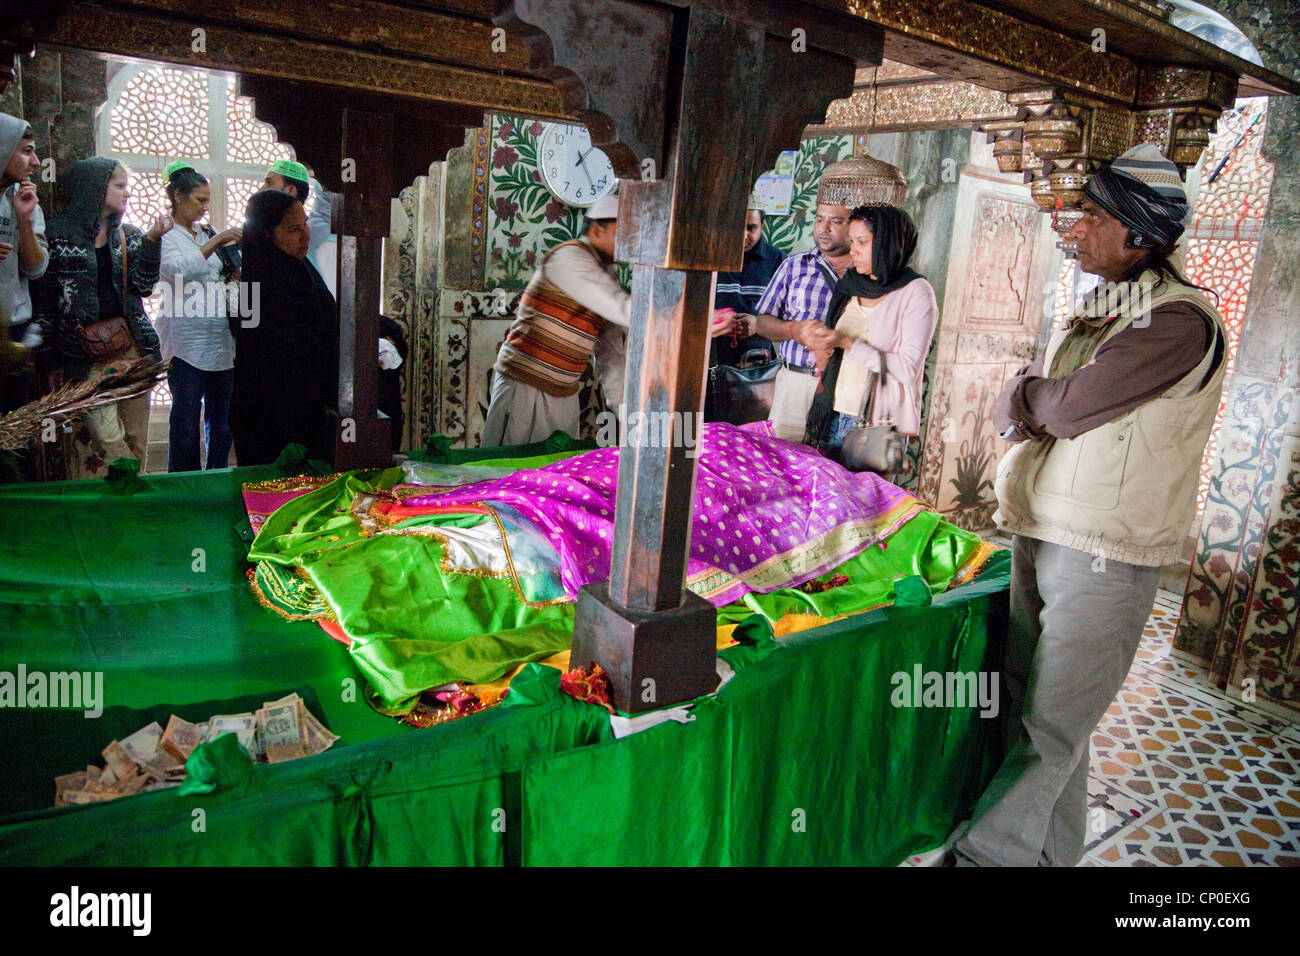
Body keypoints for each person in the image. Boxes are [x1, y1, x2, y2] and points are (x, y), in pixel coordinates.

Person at [952, 145, 1227, 868]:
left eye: (1095, 217)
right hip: (1047, 531)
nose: (1076, 229)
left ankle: (982, 859)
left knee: (1051, 727)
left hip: (1106, 554)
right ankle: (1051, 858)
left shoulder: (1177, 321)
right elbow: (1040, 401)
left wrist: (1030, 395)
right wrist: (1033, 397)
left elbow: (1061, 406)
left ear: (1141, 233)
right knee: (1037, 717)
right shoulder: (1110, 310)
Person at [40, 158, 172, 468]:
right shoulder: (57, 235)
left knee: (137, 439)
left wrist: (152, 241)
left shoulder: (128, 234)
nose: (127, 193)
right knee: (106, 440)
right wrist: (48, 358)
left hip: (132, 350)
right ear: (95, 188)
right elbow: (44, 302)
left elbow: (143, 286)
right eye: (119, 185)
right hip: (83, 358)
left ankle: (130, 509)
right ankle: (123, 498)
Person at [481, 192, 630, 446]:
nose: (625, 245)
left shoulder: (605, 276)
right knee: (505, 473)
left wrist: (628, 417)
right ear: (596, 231)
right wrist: (683, 320)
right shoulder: (570, 258)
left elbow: (611, 356)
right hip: (524, 387)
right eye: (619, 234)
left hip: (564, 396)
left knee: (554, 474)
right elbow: (624, 310)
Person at [802, 204, 937, 459]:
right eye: (852, 241)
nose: (853, 250)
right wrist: (822, 342)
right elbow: (829, 359)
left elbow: (906, 368)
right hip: (831, 414)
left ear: (889, 243)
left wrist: (847, 342)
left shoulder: (915, 292)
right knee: (822, 497)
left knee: (863, 499)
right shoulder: (850, 284)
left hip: (877, 425)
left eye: (862, 242)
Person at [750, 166, 863, 441]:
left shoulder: (866, 273)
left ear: (855, 226)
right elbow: (762, 322)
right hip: (795, 384)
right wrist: (793, 331)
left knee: (835, 470)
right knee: (782, 464)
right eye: (819, 219)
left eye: (835, 221)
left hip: (846, 388)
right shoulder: (794, 266)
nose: (824, 229)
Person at [230, 189, 337, 465]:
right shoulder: (261, 287)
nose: (306, 236)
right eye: (293, 229)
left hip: (306, 411)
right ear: (267, 234)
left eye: (305, 225)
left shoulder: (301, 271)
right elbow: (270, 362)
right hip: (272, 420)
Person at [155, 161, 242, 471]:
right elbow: (180, 272)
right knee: (186, 421)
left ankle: (216, 475)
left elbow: (225, 277)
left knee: (222, 422)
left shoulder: (207, 232)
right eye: (200, 200)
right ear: (178, 196)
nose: (206, 207)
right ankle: (182, 483)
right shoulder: (166, 234)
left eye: (208, 200)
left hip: (220, 342)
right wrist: (216, 241)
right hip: (185, 346)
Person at [705, 207, 785, 423]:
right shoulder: (707, 256)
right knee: (711, 430)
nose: (744, 235)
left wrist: (758, 324)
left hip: (757, 366)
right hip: (711, 361)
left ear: (762, 226)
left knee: (752, 429)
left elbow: (790, 319)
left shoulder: (778, 260)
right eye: (736, 227)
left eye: (751, 227)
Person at [0, 114, 47, 355]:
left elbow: (36, 269)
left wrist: (24, 220)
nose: (36, 162)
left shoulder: (25, 199)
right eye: (27, 151)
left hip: (15, 325)